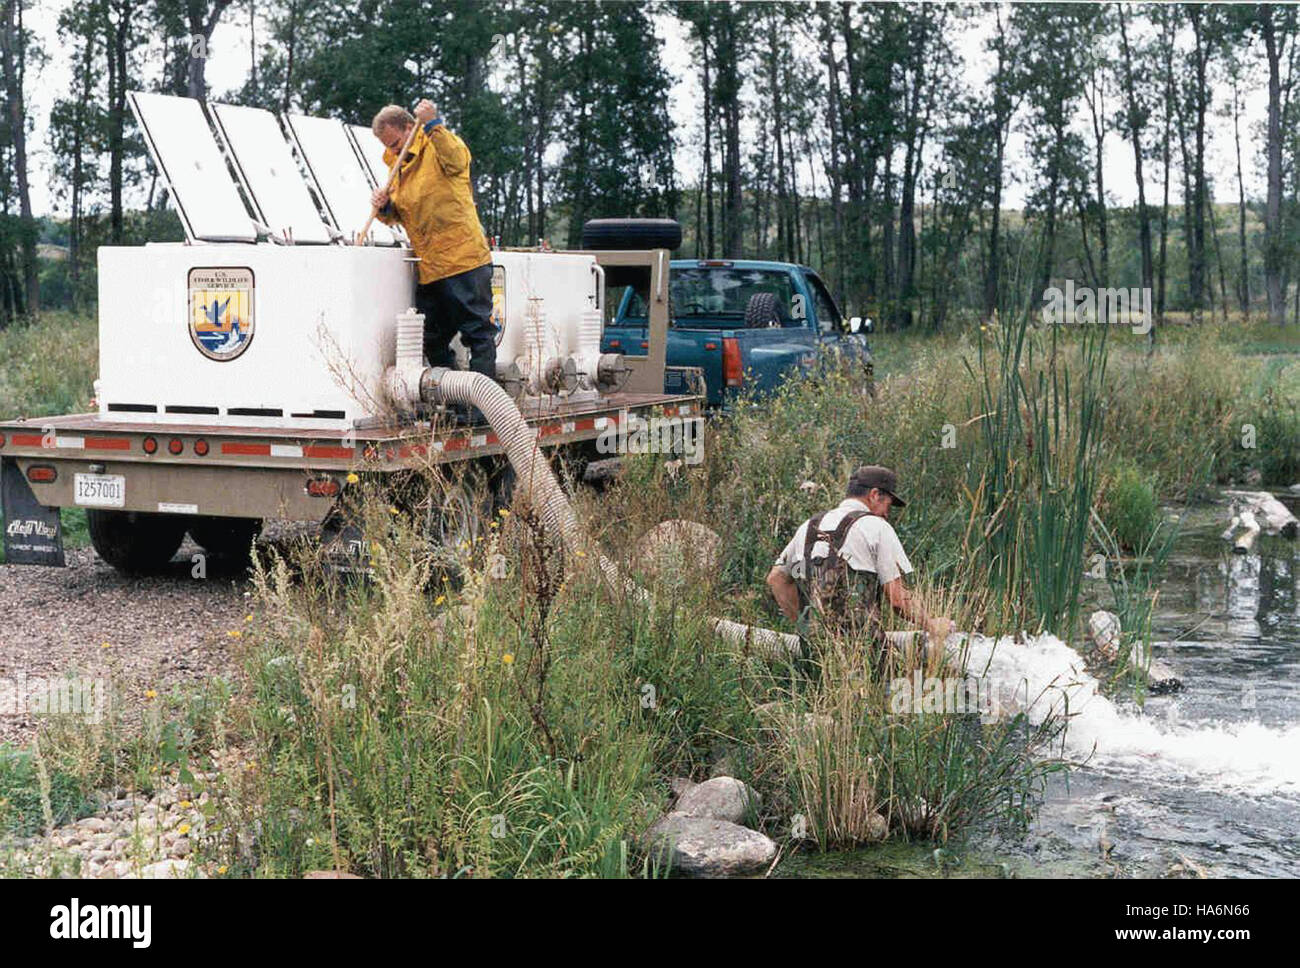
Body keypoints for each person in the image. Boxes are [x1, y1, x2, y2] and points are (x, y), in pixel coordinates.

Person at [766, 464, 953, 666]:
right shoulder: (877, 527)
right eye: (888, 506)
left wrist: (805, 627)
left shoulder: (808, 526)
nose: (887, 514)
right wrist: (932, 624)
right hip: (865, 655)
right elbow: (898, 599)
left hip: (816, 656)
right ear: (874, 495)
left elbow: (777, 579)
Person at [370, 99, 496, 384]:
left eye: (396, 142)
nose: (393, 150)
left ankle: (482, 408)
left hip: (464, 262)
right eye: (388, 146)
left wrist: (433, 123)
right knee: (431, 338)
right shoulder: (398, 167)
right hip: (431, 268)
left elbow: (459, 159)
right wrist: (384, 207)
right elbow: (403, 214)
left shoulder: (438, 147)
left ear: (410, 127)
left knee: (478, 334)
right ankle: (453, 399)